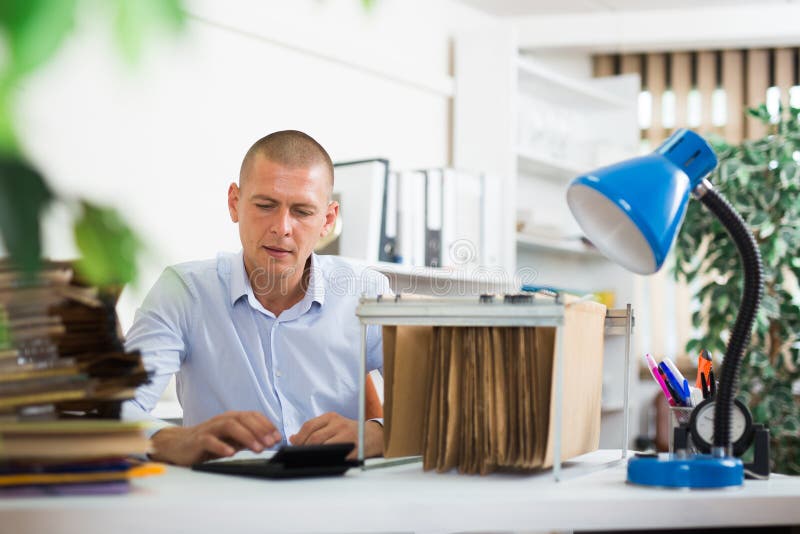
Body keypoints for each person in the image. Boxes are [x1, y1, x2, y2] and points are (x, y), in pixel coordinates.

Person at [122, 130, 390, 466]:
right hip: (222, 505)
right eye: (265, 205)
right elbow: (116, 410)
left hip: (339, 500)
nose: (282, 227)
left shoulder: (367, 292)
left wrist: (381, 433)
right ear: (235, 203)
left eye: (303, 212)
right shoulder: (183, 291)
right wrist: (168, 439)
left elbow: (437, 405)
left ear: (328, 220)